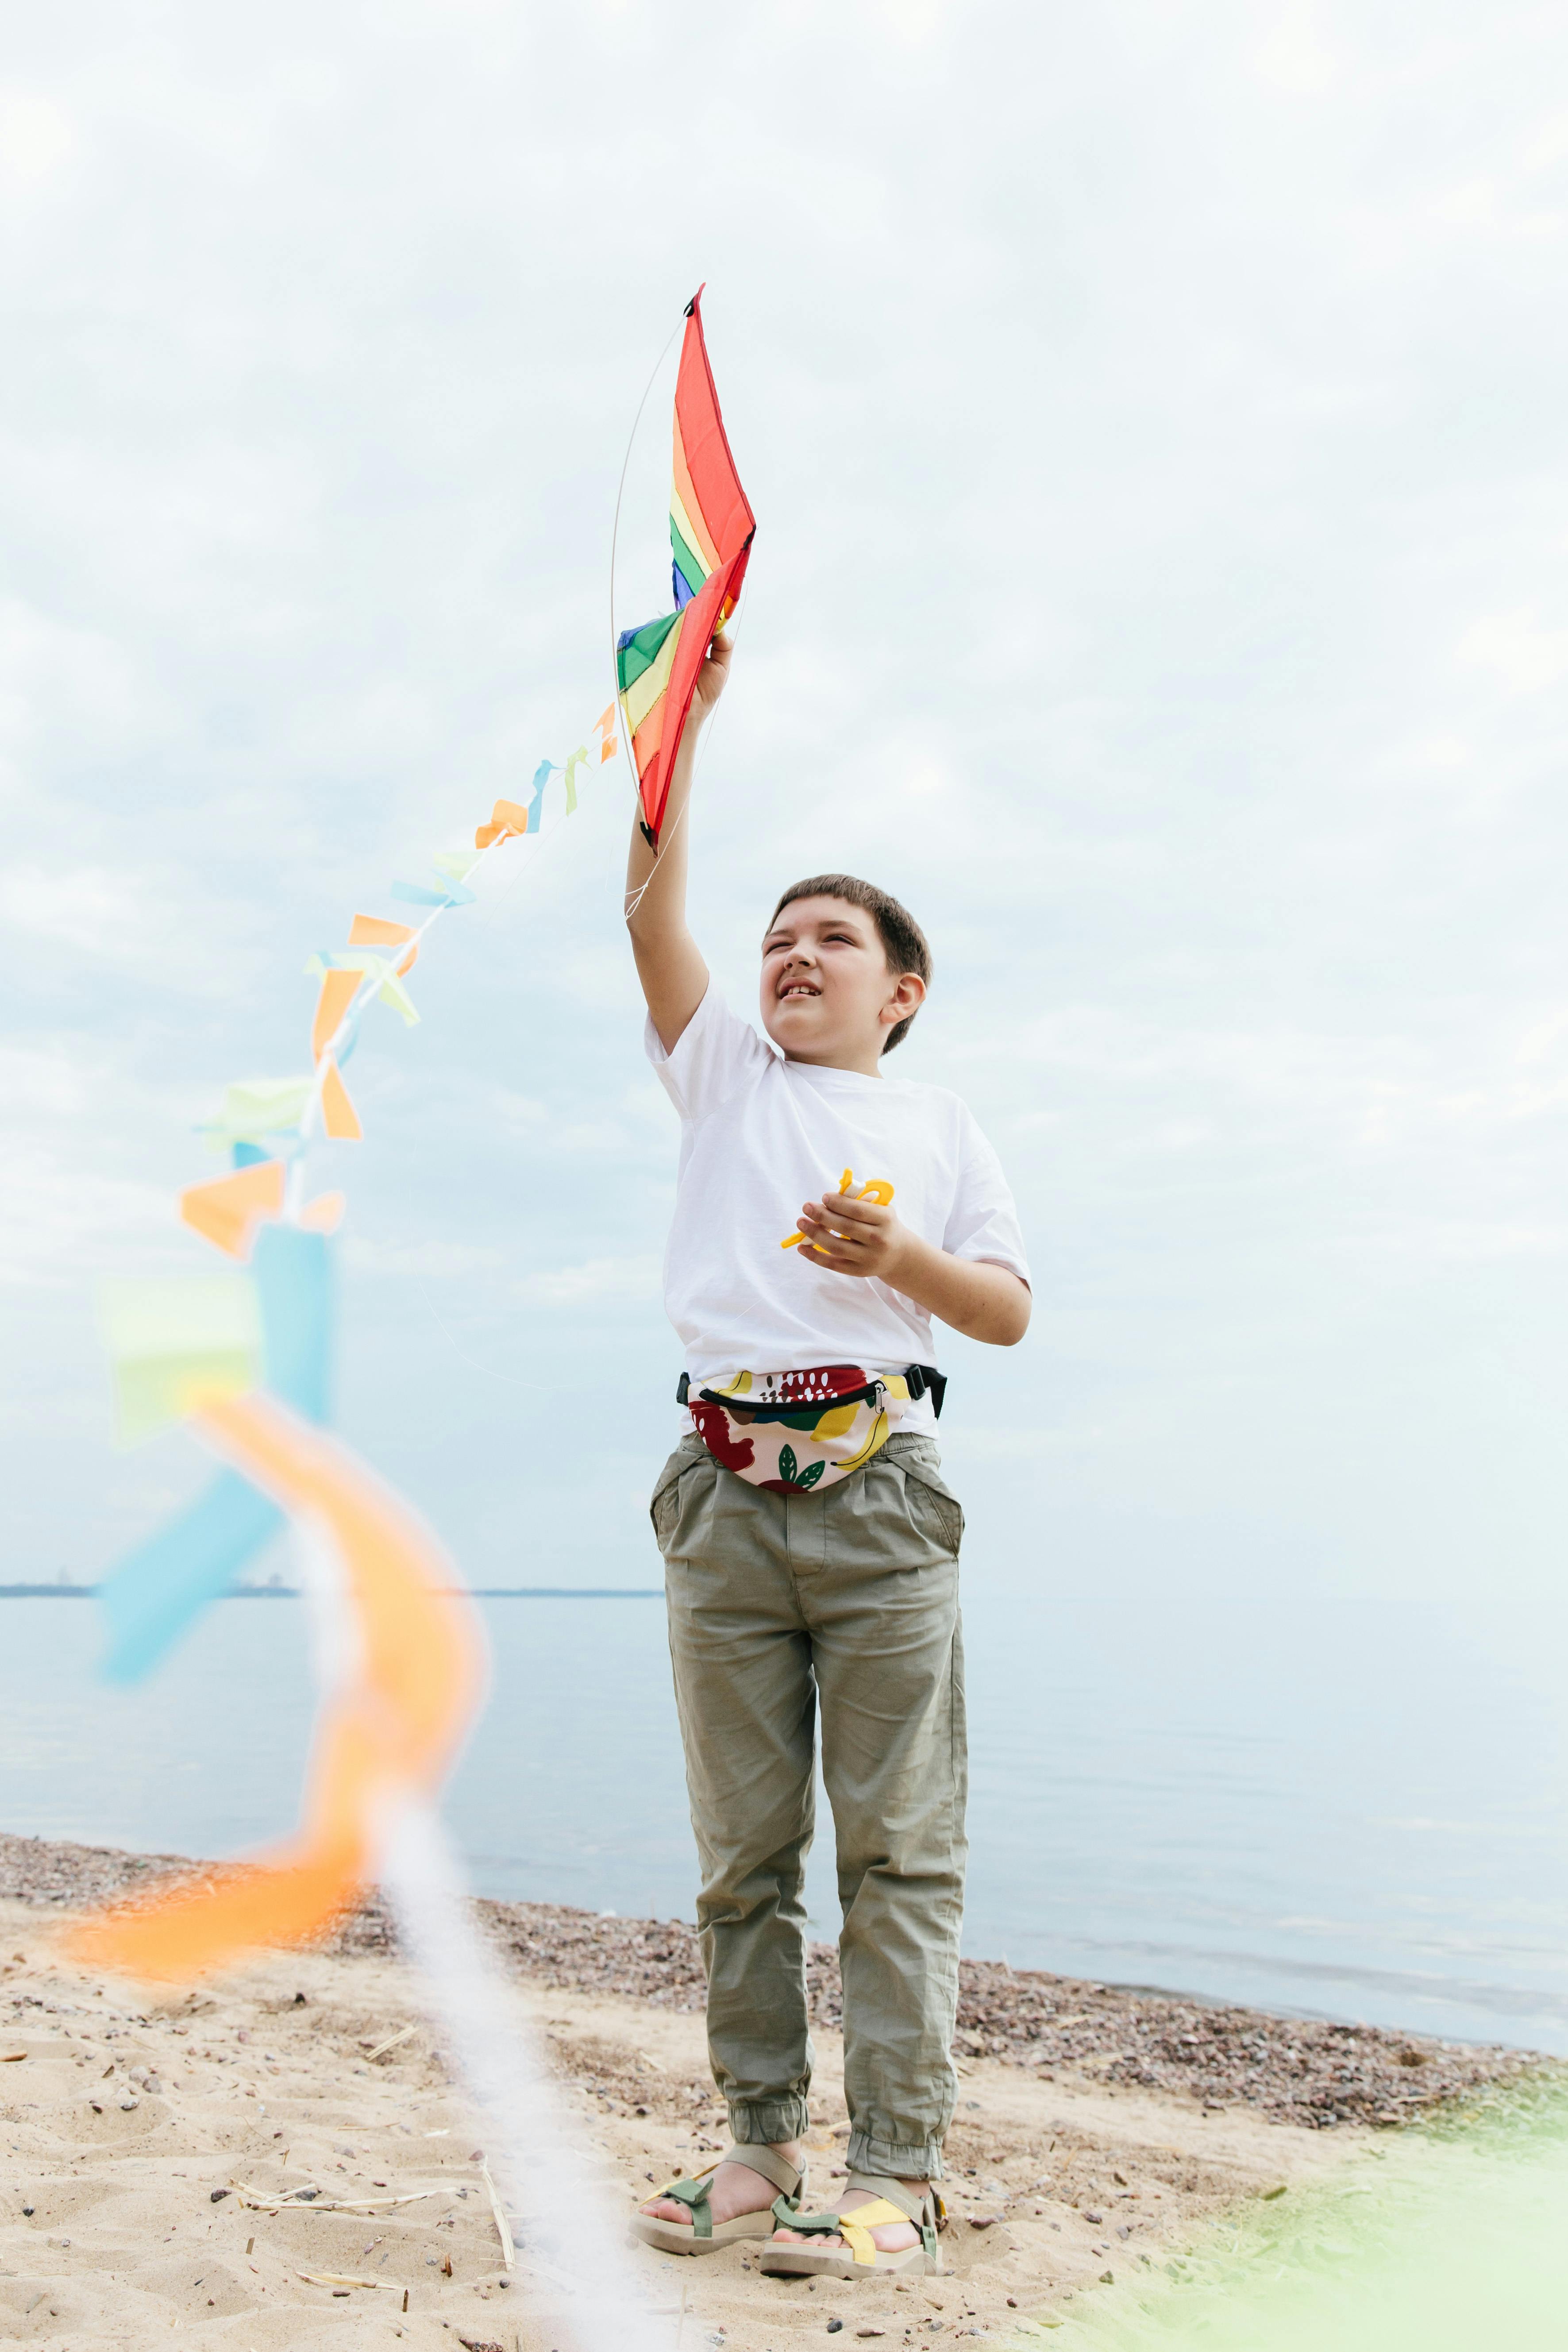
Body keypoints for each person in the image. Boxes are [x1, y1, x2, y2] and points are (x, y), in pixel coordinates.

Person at [625, 630, 1031, 2284]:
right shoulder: (723, 1070)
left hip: (883, 1491)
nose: (794, 954)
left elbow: (1000, 1310)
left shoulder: (940, 1130)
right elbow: (652, 908)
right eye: (780, 936)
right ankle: (756, 2145)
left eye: (833, 938)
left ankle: (897, 2170)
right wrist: (684, 724)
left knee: (896, 1851)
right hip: (721, 1490)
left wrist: (897, 1269)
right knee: (742, 1855)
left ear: (900, 990)